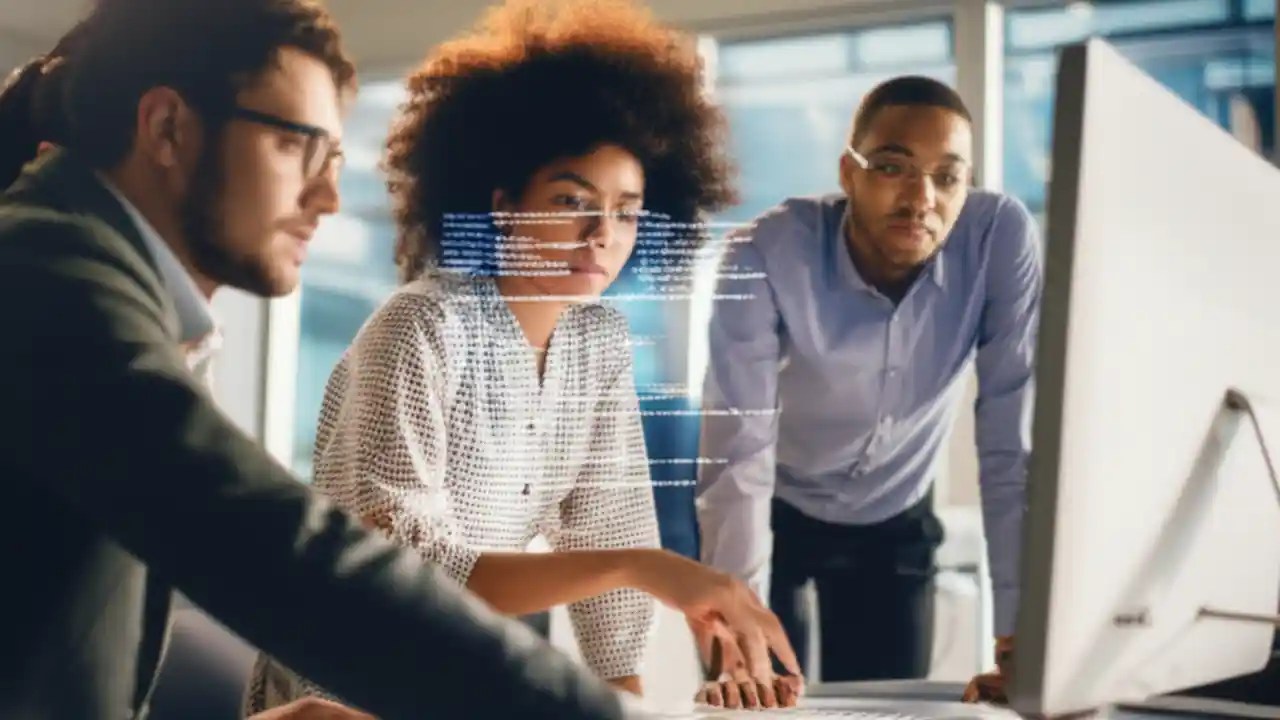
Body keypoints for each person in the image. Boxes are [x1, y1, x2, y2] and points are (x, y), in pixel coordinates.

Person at [0, 0, 785, 717]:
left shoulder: (117, 287)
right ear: (166, 128)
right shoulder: (56, 286)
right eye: (293, 143)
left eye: (335, 158)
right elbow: (282, 552)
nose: (330, 198)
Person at [244, 0, 802, 714]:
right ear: (504, 204)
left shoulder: (596, 342)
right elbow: (403, 569)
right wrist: (648, 568)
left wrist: (623, 703)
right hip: (335, 689)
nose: (602, 233)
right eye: (572, 201)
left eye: (627, 210)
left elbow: (612, 531)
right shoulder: (419, 326)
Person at [694, 75, 1042, 702]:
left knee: (888, 709)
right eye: (892, 167)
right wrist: (738, 631)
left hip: (894, 509)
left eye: (947, 176)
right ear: (848, 173)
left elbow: (1008, 445)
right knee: (755, 699)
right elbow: (738, 449)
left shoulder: (999, 239)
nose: (921, 198)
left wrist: (1024, 640)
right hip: (775, 500)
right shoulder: (764, 251)